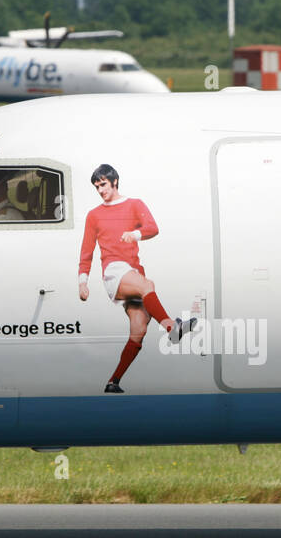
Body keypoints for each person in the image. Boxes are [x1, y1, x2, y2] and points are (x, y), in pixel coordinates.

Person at [78, 163, 194, 393]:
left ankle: (113, 381)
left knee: (139, 330)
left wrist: (135, 234)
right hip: (114, 271)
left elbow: (152, 227)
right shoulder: (94, 215)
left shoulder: (134, 204)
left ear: (115, 182)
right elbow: (87, 251)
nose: (100, 190)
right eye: (96, 187)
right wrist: (83, 281)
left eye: (103, 185)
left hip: (132, 271)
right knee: (147, 285)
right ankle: (171, 326)